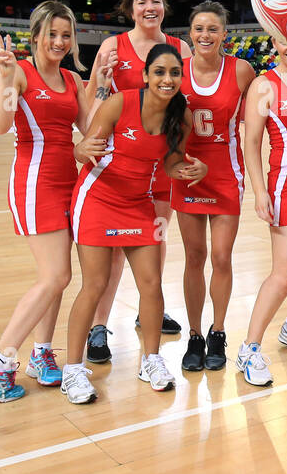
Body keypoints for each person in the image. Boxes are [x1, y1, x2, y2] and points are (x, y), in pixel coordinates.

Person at [62, 43, 208, 401]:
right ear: (145, 76)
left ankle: (152, 360)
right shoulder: (120, 103)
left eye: (174, 72)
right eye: (159, 72)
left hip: (139, 202)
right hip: (98, 197)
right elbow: (83, 147)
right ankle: (72, 370)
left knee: (151, 282)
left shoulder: (181, 115)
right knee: (94, 284)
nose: (167, 79)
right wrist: (81, 149)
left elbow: (171, 165)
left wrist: (192, 169)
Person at [0, 1, 94, 402]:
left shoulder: (73, 80)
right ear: (36, 35)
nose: (58, 41)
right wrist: (5, 80)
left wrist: (102, 87)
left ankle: (42, 355)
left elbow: (90, 133)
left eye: (65, 34)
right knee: (56, 276)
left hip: (68, 183)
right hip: (34, 183)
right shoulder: (20, 71)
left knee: (57, 277)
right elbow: (0, 125)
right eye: (51, 33)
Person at [83, 0, 191, 364]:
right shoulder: (114, 47)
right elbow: (93, 108)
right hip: (121, 169)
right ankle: (99, 325)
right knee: (112, 251)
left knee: (155, 240)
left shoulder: (181, 48)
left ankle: (153, 307)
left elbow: (184, 103)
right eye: (142, 1)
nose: (150, 7)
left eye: (156, 1)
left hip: (161, 163)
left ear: (164, 8)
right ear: (131, 9)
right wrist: (102, 83)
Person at [173, 1, 255, 373]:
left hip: (225, 172)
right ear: (189, 33)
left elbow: (257, 125)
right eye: (198, 29)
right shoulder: (177, 71)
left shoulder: (241, 71)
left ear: (225, 33)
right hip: (187, 172)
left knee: (221, 257)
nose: (205, 36)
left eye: (212, 29)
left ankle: (218, 331)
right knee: (194, 258)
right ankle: (193, 335)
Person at [237, 37, 287, 386]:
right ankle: (249, 348)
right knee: (285, 271)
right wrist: (259, 192)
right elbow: (251, 143)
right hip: (285, 183)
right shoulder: (263, 85)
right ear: (273, 42)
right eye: (285, 42)